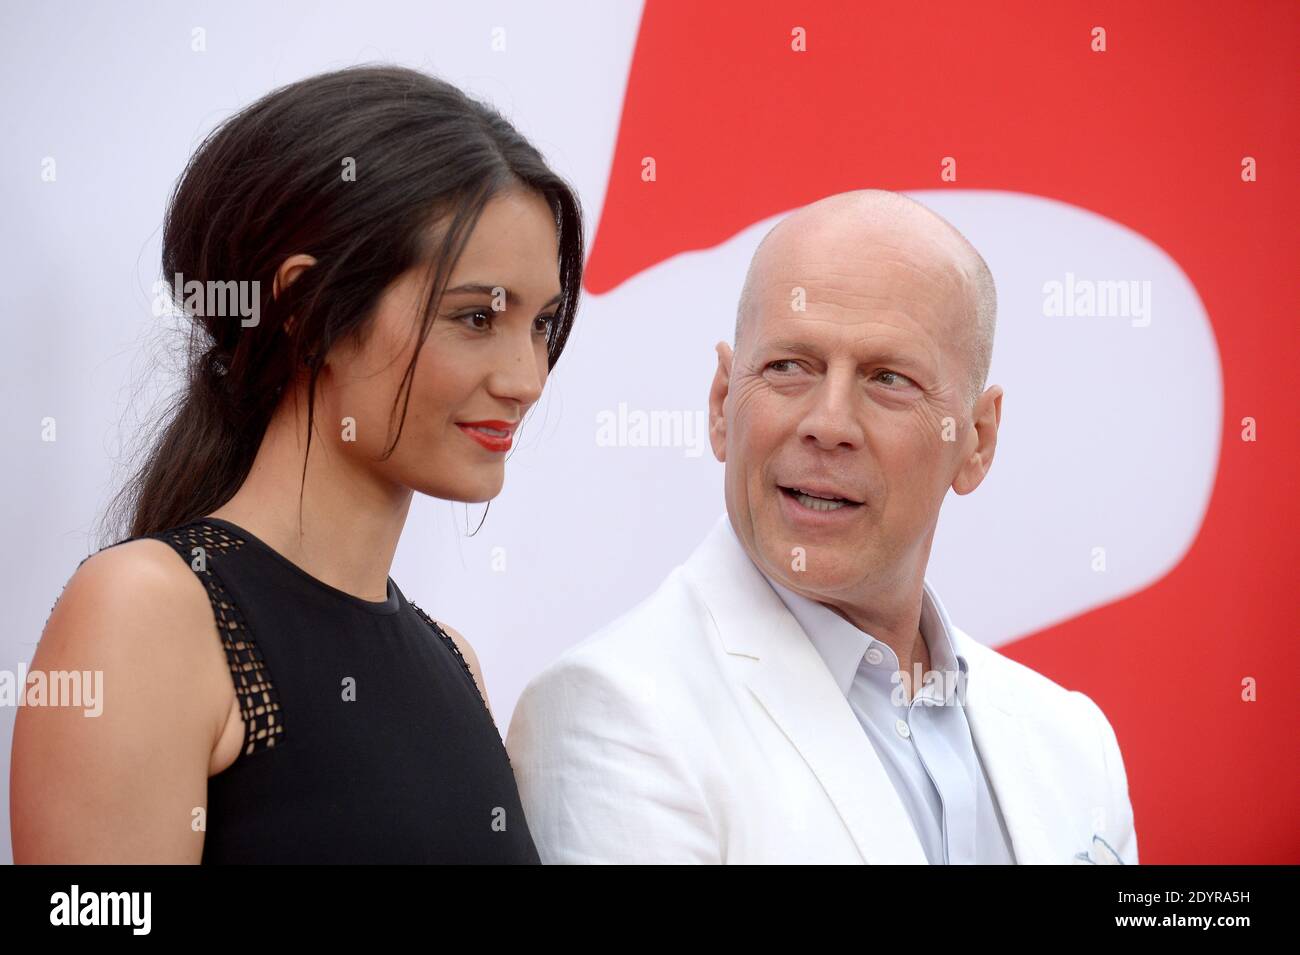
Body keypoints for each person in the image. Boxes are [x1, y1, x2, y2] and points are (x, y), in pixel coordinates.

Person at [10, 65, 583, 863]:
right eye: (477, 316)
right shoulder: (148, 612)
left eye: (541, 323)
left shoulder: (456, 662)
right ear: (306, 310)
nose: (526, 378)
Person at [506, 189, 1138, 865]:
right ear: (722, 404)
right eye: (788, 367)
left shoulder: (1071, 741)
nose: (829, 423)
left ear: (977, 440)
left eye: (888, 378)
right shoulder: (611, 714)